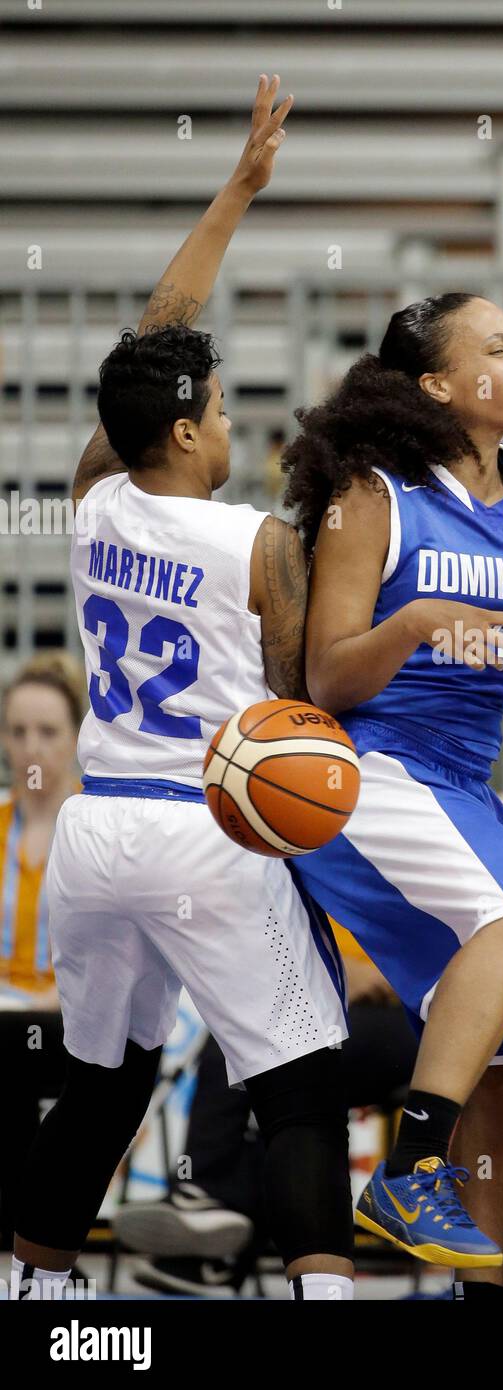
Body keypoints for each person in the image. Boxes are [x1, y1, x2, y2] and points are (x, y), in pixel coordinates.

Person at [9, 76, 356, 1304]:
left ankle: (31, 1299)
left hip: (99, 834)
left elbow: (142, 357)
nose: (228, 419)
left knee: (103, 1085)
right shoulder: (258, 541)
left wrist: (235, 191)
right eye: (215, 409)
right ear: (191, 433)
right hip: (213, 826)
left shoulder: (97, 495)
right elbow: (297, 696)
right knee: (303, 1086)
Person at [281, 293, 503, 1292]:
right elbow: (326, 678)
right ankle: (408, 1166)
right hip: (369, 772)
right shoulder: (377, 493)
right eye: (496, 347)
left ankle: (474, 1285)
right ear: (440, 386)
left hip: (462, 786)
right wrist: (418, 625)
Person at [114, 925, 418, 1298]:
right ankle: (214, 1246)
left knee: (276, 1054)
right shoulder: (292, 872)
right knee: (243, 1039)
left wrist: (353, 973)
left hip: (403, 1013)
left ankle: (210, 1206)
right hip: (320, 999)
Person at [0, 654, 85, 1249]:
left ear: (78, 737)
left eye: (49, 732)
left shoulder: (97, 829)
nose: (32, 749)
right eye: (18, 731)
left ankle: (25, 1243)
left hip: (74, 1024)